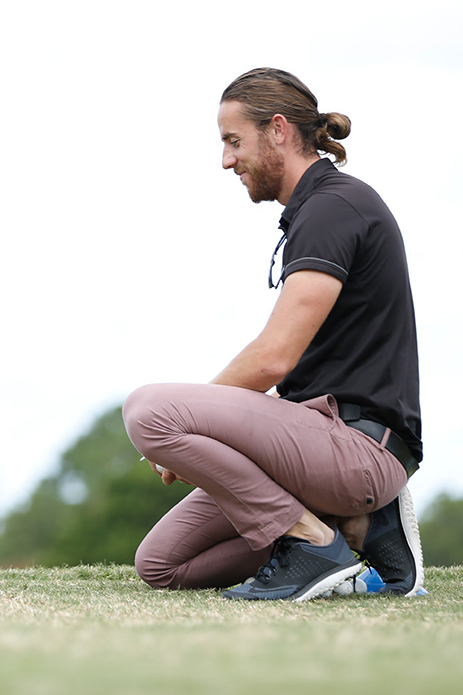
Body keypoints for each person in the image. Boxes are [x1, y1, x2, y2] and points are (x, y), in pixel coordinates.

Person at [122, 67, 423, 602]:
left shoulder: (333, 208)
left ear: (278, 130)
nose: (226, 159)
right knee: (162, 564)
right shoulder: (313, 211)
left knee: (150, 411)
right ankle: (352, 530)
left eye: (233, 141)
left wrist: (186, 431)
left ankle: (313, 540)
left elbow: (273, 359)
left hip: (358, 449)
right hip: (313, 440)